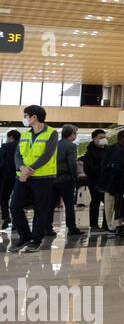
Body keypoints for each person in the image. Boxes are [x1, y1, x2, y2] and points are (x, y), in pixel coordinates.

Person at [9, 105, 59, 251]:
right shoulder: (25, 135)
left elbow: (47, 155)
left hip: (43, 177)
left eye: (25, 115)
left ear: (34, 117)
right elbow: (18, 155)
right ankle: (25, 236)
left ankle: (36, 240)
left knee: (40, 209)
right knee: (14, 206)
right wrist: (21, 168)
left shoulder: (52, 133)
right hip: (23, 177)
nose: (24, 118)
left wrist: (29, 170)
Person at [98, 127, 124, 238]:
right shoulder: (119, 150)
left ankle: (123, 226)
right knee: (120, 204)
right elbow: (122, 167)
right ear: (123, 138)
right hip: (120, 182)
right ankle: (119, 227)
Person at [55, 124, 85, 237]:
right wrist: (74, 177)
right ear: (71, 134)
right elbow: (72, 164)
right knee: (69, 204)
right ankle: (71, 227)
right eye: (75, 133)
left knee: (50, 204)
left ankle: (47, 228)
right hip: (66, 178)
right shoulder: (71, 146)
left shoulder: (55, 144)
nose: (76, 135)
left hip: (53, 178)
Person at [81, 129, 110, 232]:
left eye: (104, 137)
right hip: (94, 181)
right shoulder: (90, 152)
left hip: (106, 181)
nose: (103, 140)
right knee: (95, 202)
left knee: (107, 202)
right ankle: (94, 225)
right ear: (94, 139)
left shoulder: (107, 149)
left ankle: (106, 224)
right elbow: (88, 168)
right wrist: (102, 167)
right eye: (101, 138)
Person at [0, 129, 18, 230]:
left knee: (4, 198)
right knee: (17, 200)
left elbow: (1, 163)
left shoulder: (5, 147)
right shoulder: (22, 146)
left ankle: (6, 217)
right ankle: (16, 223)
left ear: (10, 137)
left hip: (6, 177)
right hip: (20, 176)